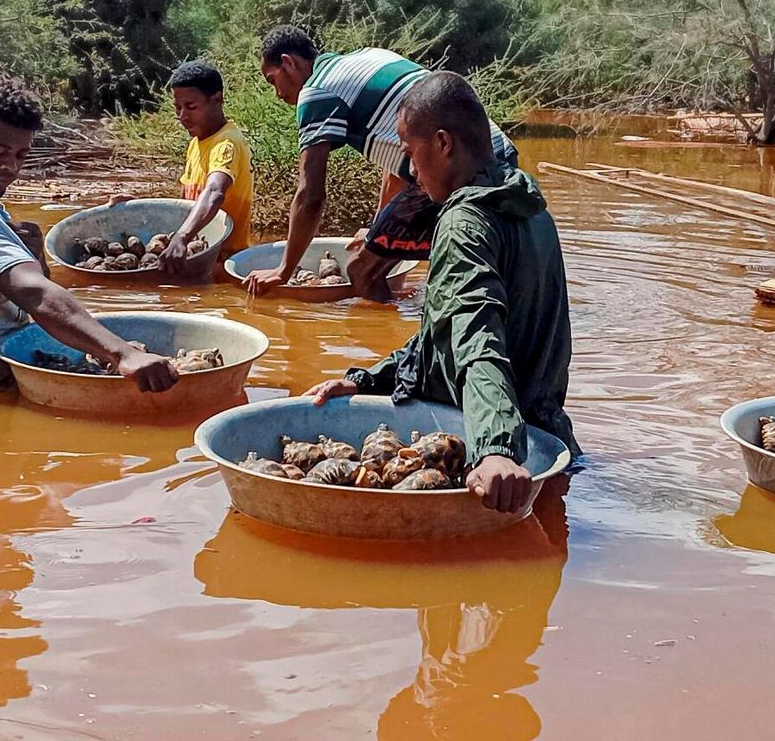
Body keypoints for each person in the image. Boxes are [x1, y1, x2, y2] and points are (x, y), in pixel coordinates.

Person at [305, 71, 578, 514]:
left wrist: (496, 448)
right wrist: (366, 380)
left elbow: (477, 339)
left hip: (490, 473)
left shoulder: (462, 224)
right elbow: (445, 334)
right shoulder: (528, 209)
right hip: (549, 447)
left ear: (444, 143)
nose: (411, 171)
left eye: (410, 152)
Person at [0, 70, 177, 396]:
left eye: (21, 155)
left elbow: (26, 286)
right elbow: (37, 294)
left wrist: (31, 255)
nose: (11, 167)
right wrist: (123, 354)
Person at [248, 25, 517, 301]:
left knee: (362, 271)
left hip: (457, 171)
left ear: (288, 63)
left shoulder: (316, 91)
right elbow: (396, 167)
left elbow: (310, 196)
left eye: (272, 81)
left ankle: (396, 322)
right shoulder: (368, 57)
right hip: (498, 155)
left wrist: (283, 270)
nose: (277, 94)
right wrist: (376, 230)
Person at [159, 60, 252, 275]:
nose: (183, 116)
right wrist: (134, 207)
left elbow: (214, 192)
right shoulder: (195, 143)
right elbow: (184, 206)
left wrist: (182, 237)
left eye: (191, 107)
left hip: (222, 264)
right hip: (195, 258)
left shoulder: (227, 143)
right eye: (178, 107)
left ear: (217, 99)